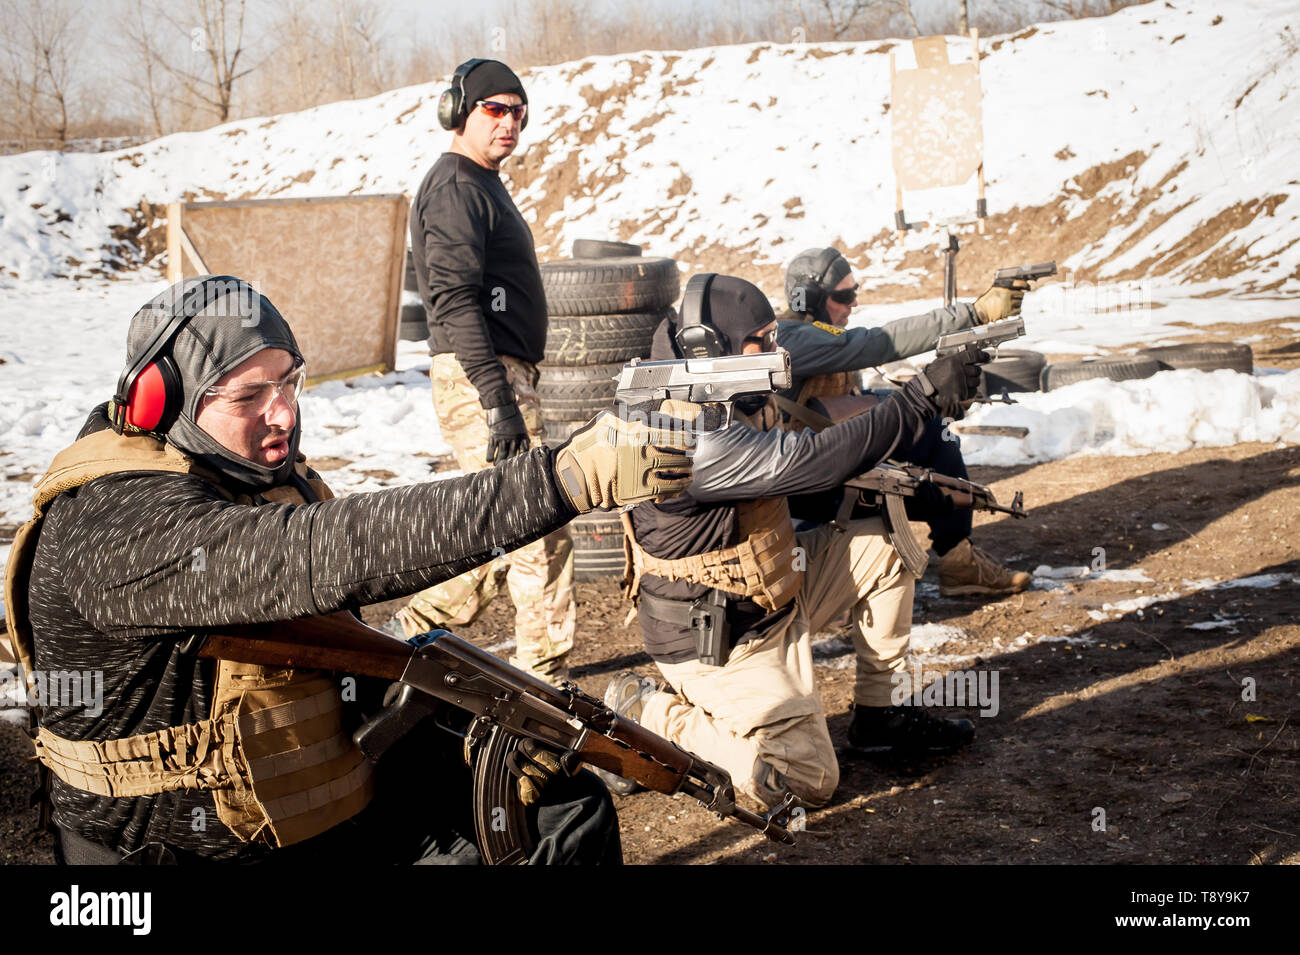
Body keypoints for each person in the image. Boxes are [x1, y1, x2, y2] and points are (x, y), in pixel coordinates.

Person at [4, 276, 691, 864]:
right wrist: (561, 479)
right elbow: (330, 548)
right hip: (169, 849)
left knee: (565, 813)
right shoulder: (115, 526)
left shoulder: (245, 475)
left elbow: (324, 661)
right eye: (248, 395)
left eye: (290, 382)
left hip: (294, 803)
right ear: (162, 400)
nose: (283, 413)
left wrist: (473, 735)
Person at [602, 273, 987, 811]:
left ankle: (879, 717)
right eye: (764, 339)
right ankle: (645, 716)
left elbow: (817, 431)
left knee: (885, 546)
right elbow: (813, 460)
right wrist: (918, 399)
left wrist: (914, 413)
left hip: (770, 597)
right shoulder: (688, 433)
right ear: (710, 346)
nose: (778, 350)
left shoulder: (727, 393)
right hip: (720, 637)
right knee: (802, 780)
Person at [392, 58, 576, 685]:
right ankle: (547, 690)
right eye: (494, 109)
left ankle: (404, 638)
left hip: (499, 374)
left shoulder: (480, 183)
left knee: (495, 526)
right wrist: (496, 397)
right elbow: (452, 299)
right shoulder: (456, 186)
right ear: (458, 112)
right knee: (537, 527)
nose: (510, 123)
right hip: (486, 375)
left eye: (519, 112)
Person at [778, 246, 1031, 598]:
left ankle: (959, 560)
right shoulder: (792, 339)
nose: (853, 303)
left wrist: (928, 406)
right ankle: (828, 580)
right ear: (811, 299)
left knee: (935, 437)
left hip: (835, 463)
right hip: (801, 486)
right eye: (844, 295)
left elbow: (855, 409)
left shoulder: (827, 337)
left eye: (855, 292)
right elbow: (879, 343)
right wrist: (973, 314)